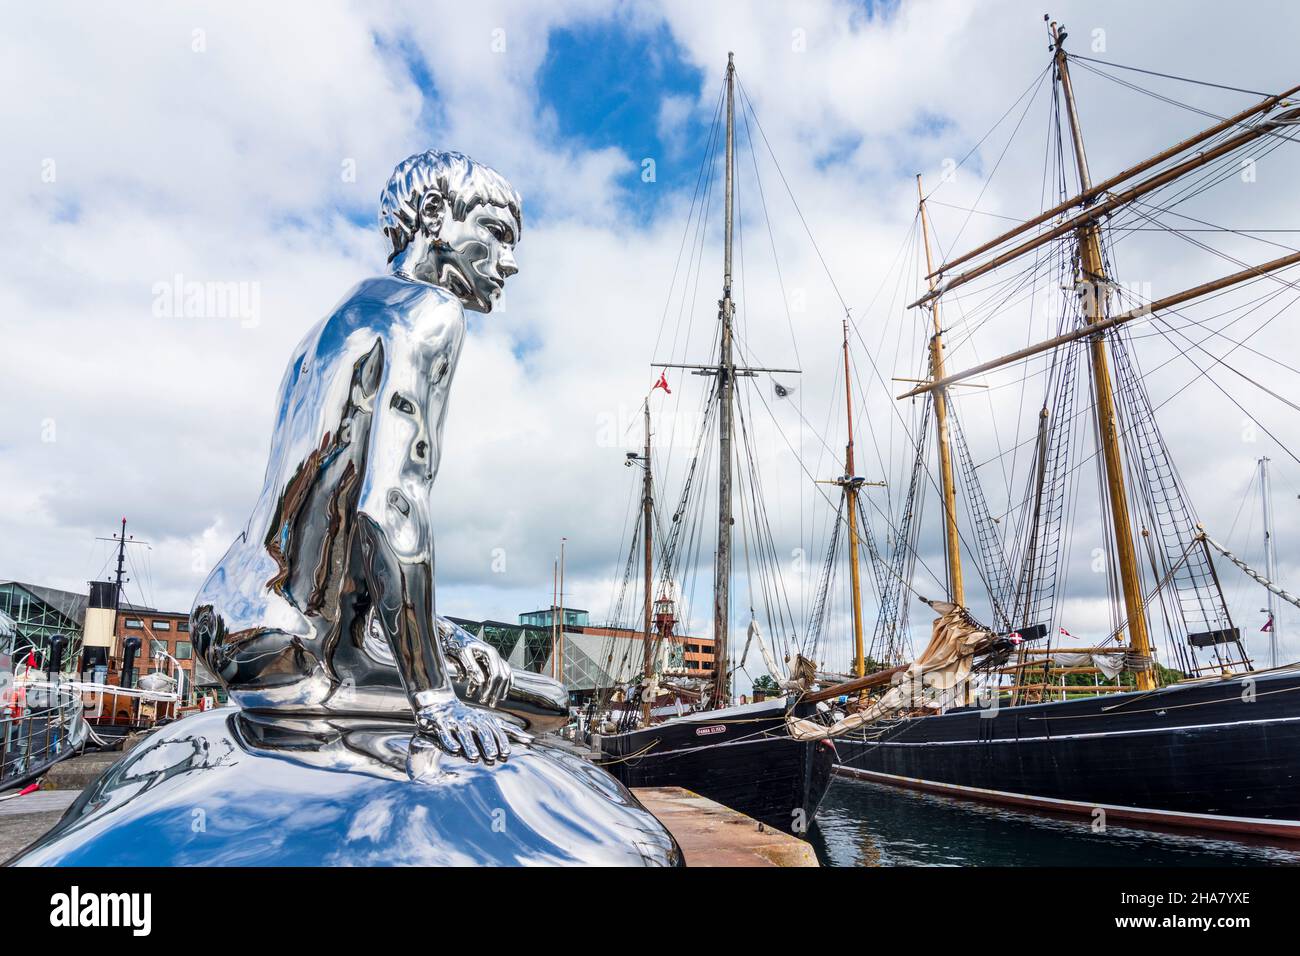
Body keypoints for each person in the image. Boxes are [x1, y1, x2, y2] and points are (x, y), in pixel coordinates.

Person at [192, 151, 523, 763]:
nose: (510, 262)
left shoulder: (328, 330)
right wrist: (434, 695)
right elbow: (388, 506)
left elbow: (328, 524)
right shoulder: (432, 312)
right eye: (496, 234)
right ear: (433, 216)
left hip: (235, 616)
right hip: (306, 651)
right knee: (531, 699)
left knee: (479, 667)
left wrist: (445, 639)